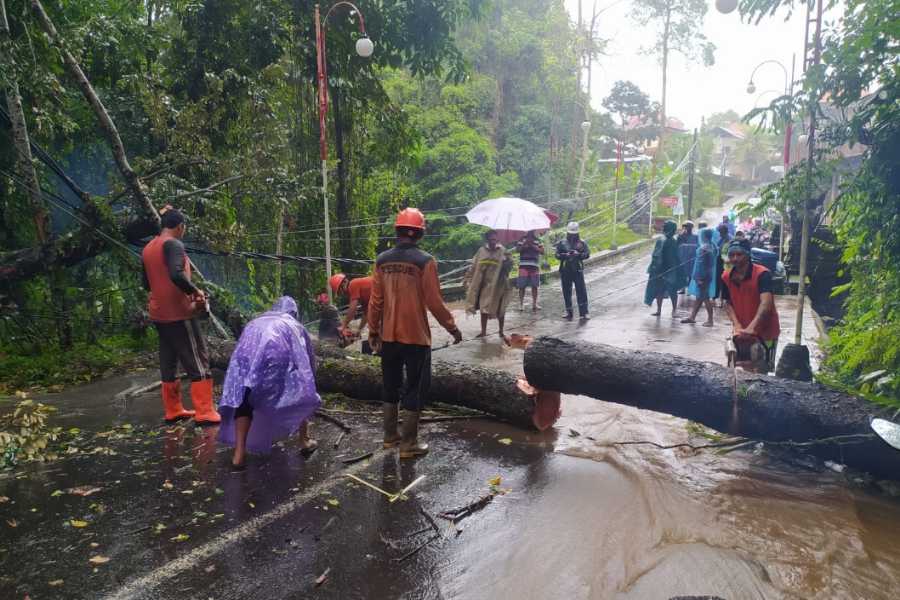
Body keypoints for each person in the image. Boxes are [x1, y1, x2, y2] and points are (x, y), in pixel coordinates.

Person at [368, 208, 463, 459]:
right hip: (416, 337)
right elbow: (434, 301)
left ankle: (390, 437)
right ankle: (408, 444)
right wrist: (451, 327)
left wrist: (373, 330)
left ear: (397, 231)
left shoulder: (382, 261)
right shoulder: (425, 261)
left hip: (388, 336)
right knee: (416, 387)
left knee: (390, 384)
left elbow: (375, 301)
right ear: (420, 233)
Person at [217, 297, 320, 470]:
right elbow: (308, 361)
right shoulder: (294, 326)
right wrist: (309, 383)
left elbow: (240, 350)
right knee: (302, 394)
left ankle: (238, 454)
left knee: (245, 399)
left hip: (244, 361)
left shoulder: (255, 322)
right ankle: (304, 441)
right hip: (274, 358)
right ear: (293, 313)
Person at [141, 208, 219, 424]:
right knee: (198, 359)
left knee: (168, 361)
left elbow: (146, 282)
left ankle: (173, 409)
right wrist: (195, 292)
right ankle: (205, 411)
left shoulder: (148, 248)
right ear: (180, 226)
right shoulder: (173, 244)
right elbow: (177, 274)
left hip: (158, 313)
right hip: (179, 313)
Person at [721, 240, 781, 373]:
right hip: (741, 330)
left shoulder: (762, 274)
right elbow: (727, 303)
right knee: (737, 365)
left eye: (739, 254)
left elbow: (766, 303)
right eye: (732, 255)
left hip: (765, 330)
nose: (735, 258)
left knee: (761, 368)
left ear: (747, 255)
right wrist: (737, 325)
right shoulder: (726, 276)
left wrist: (752, 328)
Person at [465, 230, 513, 338]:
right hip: (485, 286)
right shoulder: (481, 251)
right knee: (484, 308)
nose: (494, 241)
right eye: (491, 239)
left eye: (495, 239)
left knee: (501, 309)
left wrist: (507, 262)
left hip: (500, 285)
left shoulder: (503, 251)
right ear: (487, 239)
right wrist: (468, 278)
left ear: (498, 239)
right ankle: (483, 331)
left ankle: (501, 331)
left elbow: (510, 267)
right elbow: (474, 266)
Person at [644, 220, 683, 317]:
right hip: (662, 270)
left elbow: (676, 256)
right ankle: (659, 310)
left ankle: (673, 310)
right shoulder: (662, 240)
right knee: (660, 290)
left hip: (669, 270)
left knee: (671, 290)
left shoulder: (672, 241)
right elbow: (657, 256)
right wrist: (655, 268)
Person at [555, 222, 591, 320]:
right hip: (565, 270)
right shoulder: (562, 243)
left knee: (581, 291)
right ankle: (568, 311)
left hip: (577, 270)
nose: (572, 235)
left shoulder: (582, 243)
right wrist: (565, 255)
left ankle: (584, 312)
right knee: (566, 291)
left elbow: (587, 254)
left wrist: (578, 254)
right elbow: (557, 255)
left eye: (574, 233)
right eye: (571, 233)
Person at [681, 227, 716, 326]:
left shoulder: (704, 249)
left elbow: (701, 265)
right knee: (699, 298)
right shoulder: (711, 246)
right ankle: (692, 317)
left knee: (705, 298)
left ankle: (710, 320)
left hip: (702, 277)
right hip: (707, 276)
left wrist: (699, 278)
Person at [329, 273, 374, 341]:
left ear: (344, 283)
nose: (343, 294)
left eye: (340, 292)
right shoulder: (363, 295)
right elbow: (366, 314)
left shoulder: (353, 284)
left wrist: (343, 326)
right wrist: (359, 329)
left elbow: (353, 309)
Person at [516, 231, 544, 312]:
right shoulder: (521, 239)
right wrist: (525, 245)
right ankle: (521, 304)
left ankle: (534, 304)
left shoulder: (538, 240)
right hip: (523, 266)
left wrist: (533, 246)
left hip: (534, 266)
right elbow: (517, 250)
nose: (530, 232)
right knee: (522, 286)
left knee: (535, 286)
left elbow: (542, 251)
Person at [676, 221, 699, 294]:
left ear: (691, 228)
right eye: (685, 226)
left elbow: (698, 246)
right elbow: (678, 246)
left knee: (691, 273)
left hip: (692, 257)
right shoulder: (681, 236)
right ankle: (682, 288)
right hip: (683, 257)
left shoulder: (695, 237)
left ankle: (689, 288)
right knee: (683, 273)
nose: (686, 228)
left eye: (688, 226)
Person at [714, 222, 731, 304]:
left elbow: (726, 252)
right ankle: (717, 297)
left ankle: (724, 298)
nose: (719, 233)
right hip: (719, 260)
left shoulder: (729, 239)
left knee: (724, 280)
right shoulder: (720, 238)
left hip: (726, 262)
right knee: (718, 279)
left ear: (724, 231)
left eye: (720, 232)